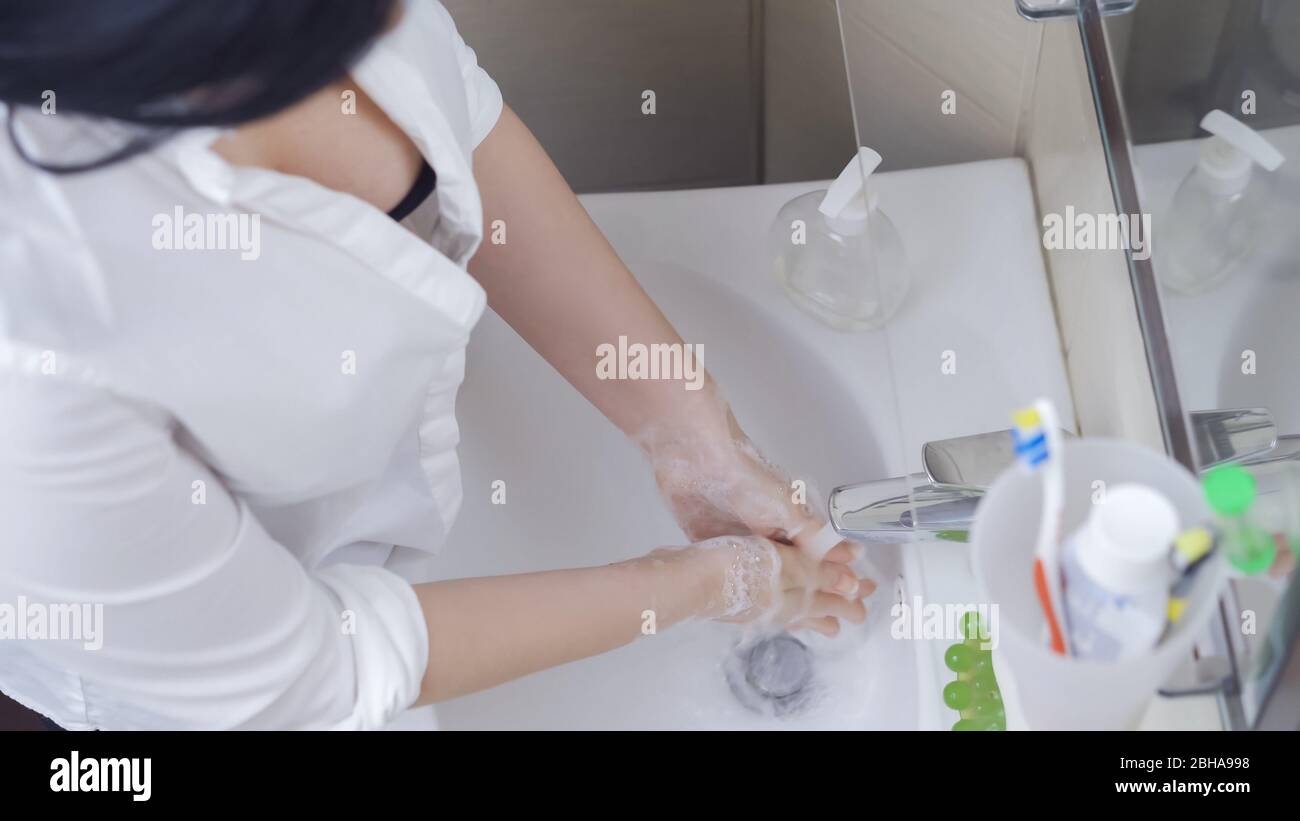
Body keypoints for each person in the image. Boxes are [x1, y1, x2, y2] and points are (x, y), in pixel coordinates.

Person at [0, 0, 873, 729]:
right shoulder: (37, 351)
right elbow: (318, 672)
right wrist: (700, 584)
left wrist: (688, 430)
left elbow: (453, 108)